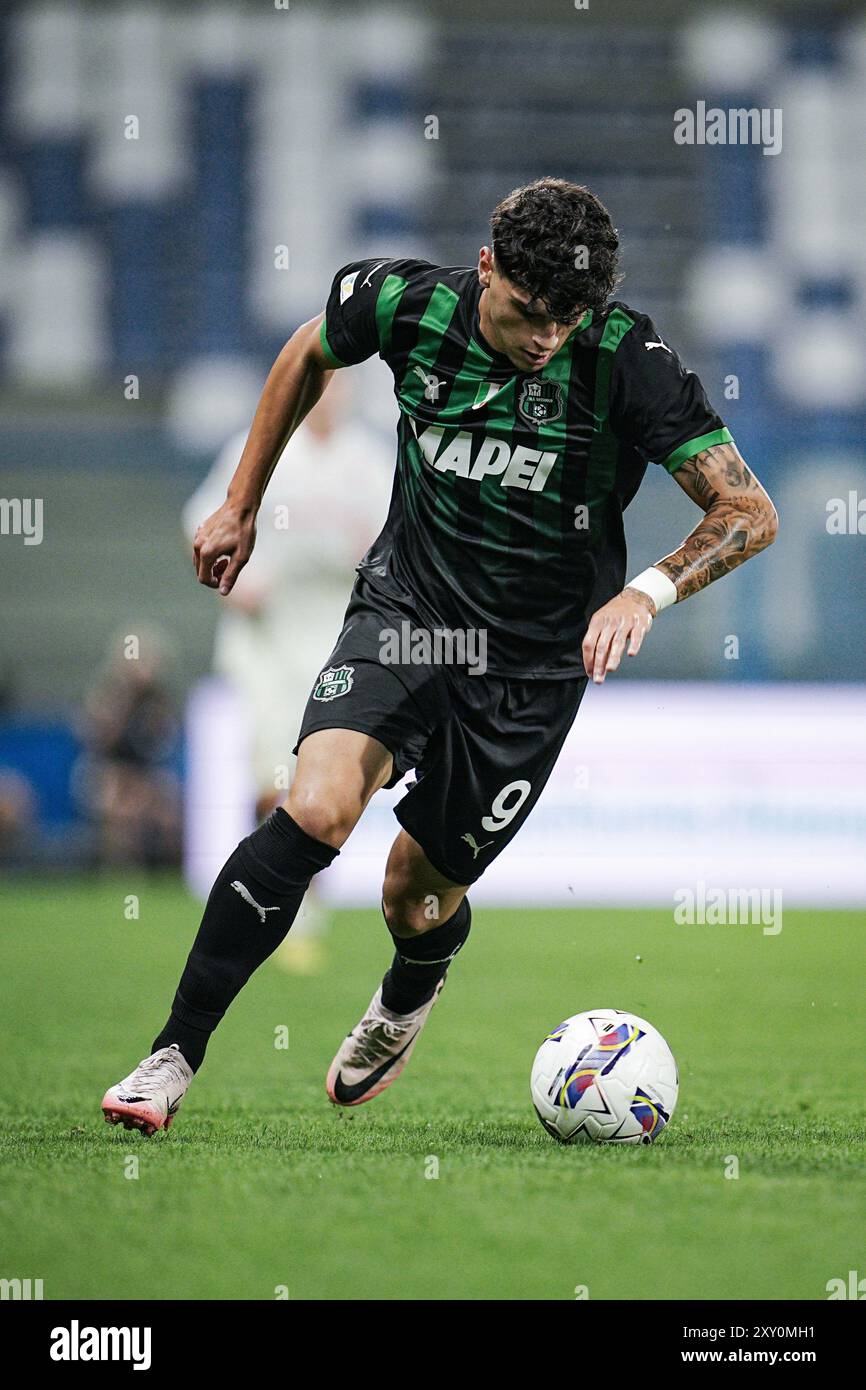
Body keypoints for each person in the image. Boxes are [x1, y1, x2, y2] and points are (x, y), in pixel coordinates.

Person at [101, 178, 777, 1135]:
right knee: (318, 805)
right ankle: (171, 1057)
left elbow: (748, 510)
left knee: (415, 895)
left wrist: (646, 590)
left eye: (568, 318)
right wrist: (243, 499)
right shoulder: (407, 303)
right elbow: (306, 352)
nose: (549, 338)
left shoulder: (625, 355)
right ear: (487, 268)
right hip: (409, 613)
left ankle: (410, 990)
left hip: (532, 669)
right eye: (530, 314)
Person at [181, 379, 392, 970]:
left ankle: (303, 908)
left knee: (321, 784)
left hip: (336, 646)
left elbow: (396, 544)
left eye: (339, 388)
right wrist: (232, 577)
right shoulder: (262, 450)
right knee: (272, 780)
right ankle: (275, 904)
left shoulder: (369, 463)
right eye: (320, 387)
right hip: (267, 645)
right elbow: (202, 518)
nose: (330, 398)